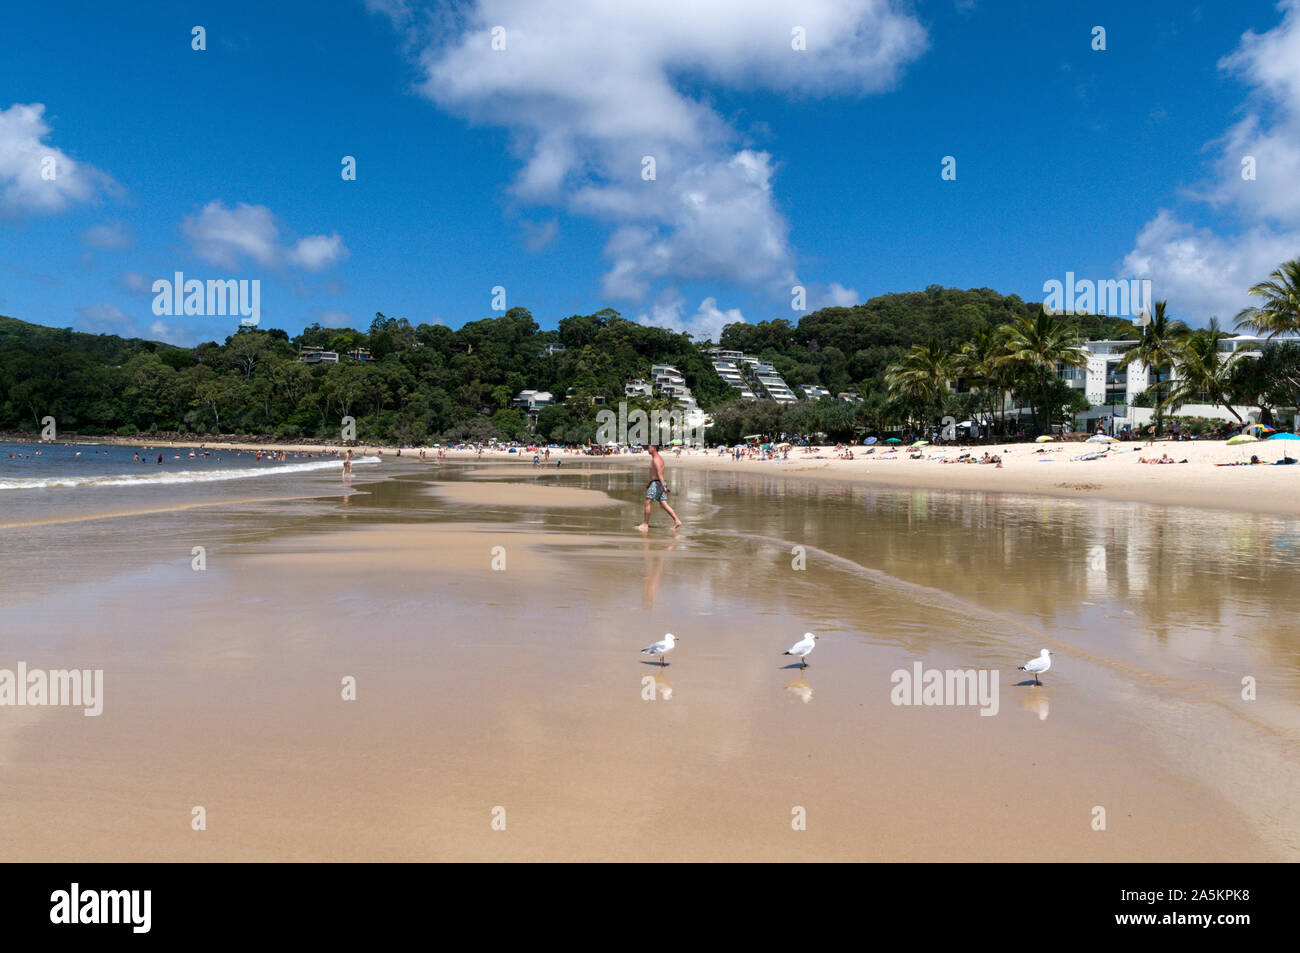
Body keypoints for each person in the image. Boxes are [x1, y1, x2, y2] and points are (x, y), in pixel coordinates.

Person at [635, 445, 682, 532]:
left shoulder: (656, 460)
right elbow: (655, 474)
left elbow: (660, 474)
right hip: (657, 483)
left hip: (657, 484)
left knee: (647, 502)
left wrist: (663, 486)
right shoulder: (657, 458)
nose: (648, 449)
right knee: (663, 504)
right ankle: (677, 520)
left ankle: (645, 524)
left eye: (649, 448)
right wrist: (650, 482)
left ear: (654, 448)